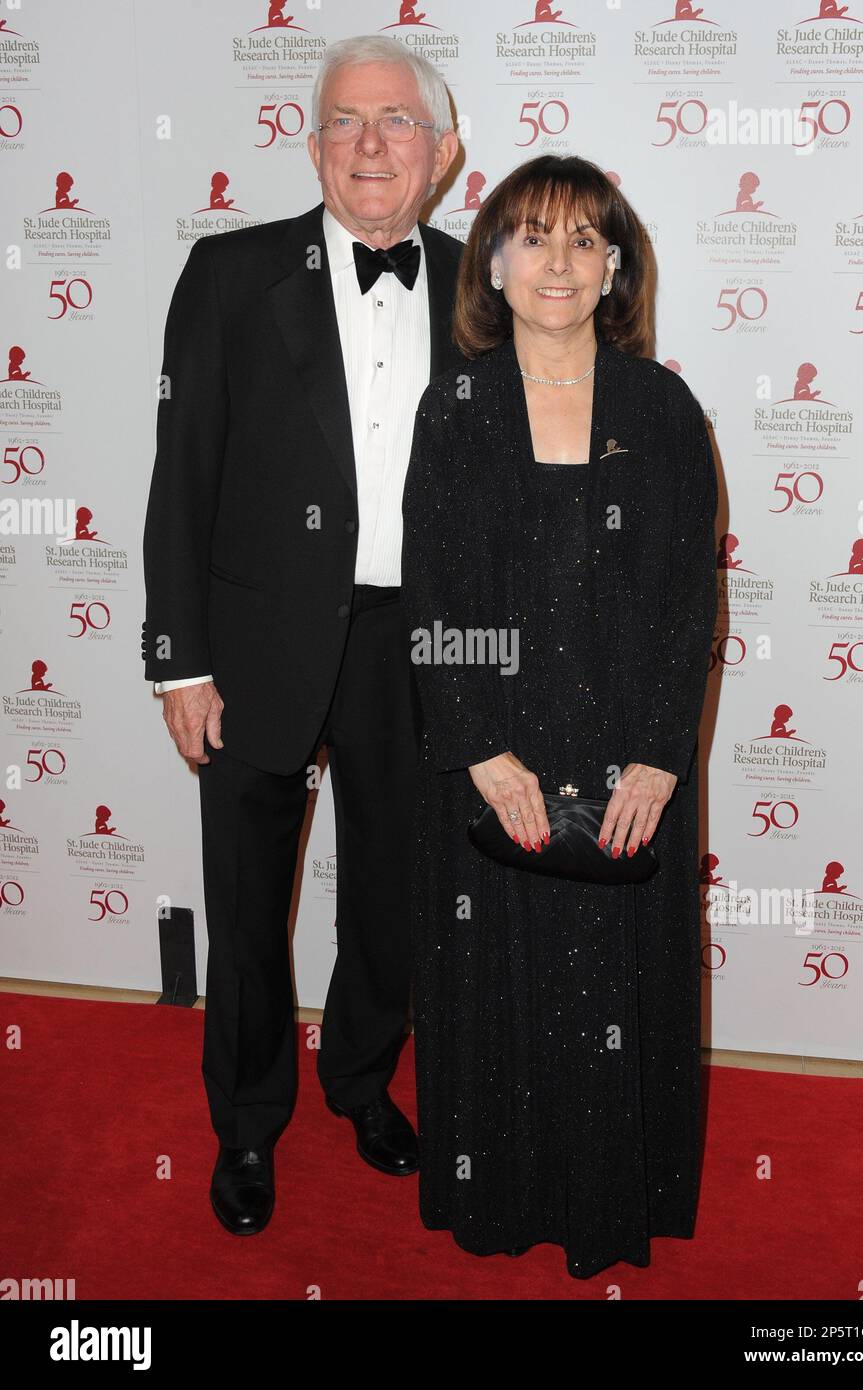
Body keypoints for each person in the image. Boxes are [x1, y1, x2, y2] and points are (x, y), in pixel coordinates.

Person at [142, 34, 461, 1235]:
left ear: (440, 149)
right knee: (247, 903)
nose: (371, 143)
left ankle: (363, 1084)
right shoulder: (229, 275)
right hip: (255, 637)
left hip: (415, 648)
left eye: (395, 121)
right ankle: (245, 1125)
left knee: (392, 893)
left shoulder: (483, 285)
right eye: (346, 120)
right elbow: (183, 479)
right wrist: (179, 656)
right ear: (312, 140)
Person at [401, 153, 719, 1278]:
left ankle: (611, 1196)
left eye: (584, 239)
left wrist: (657, 756)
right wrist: (481, 746)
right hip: (498, 758)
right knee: (498, 983)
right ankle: (503, 1195)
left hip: (627, 755)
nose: (558, 261)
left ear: (614, 265)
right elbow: (435, 600)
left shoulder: (660, 405)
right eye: (532, 235)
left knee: (614, 985)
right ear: (491, 259)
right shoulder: (458, 407)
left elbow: (690, 596)